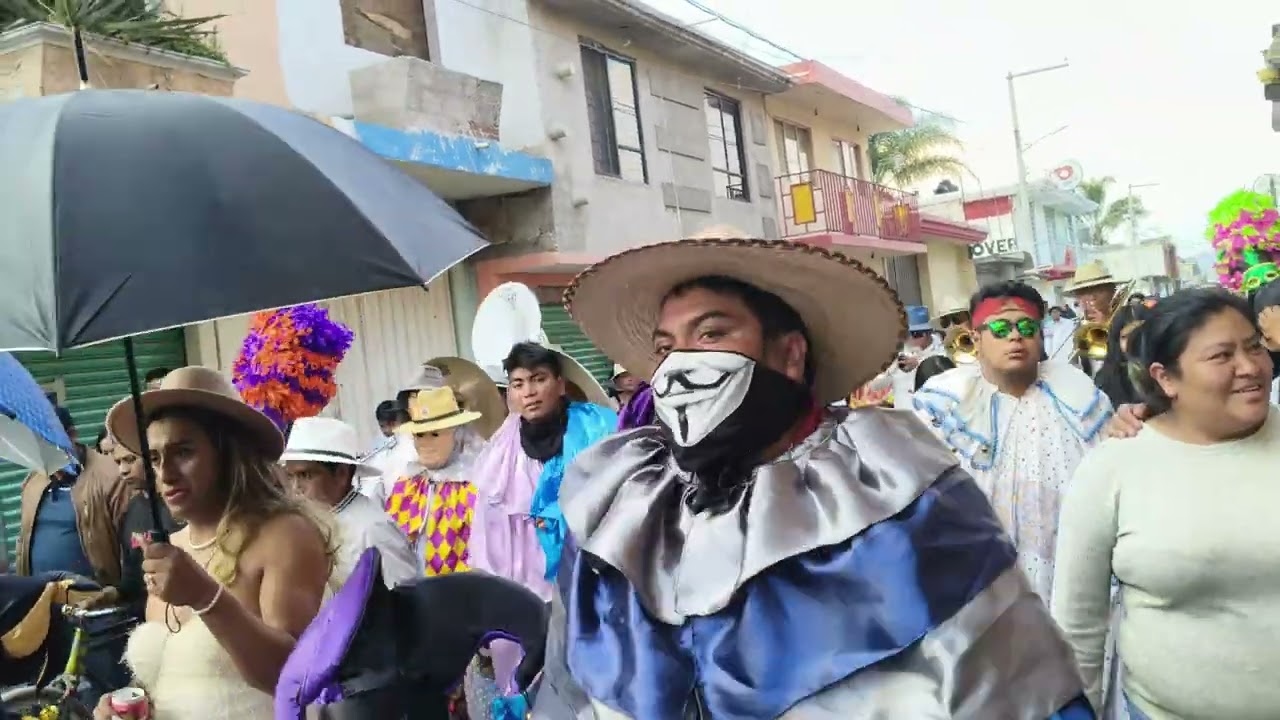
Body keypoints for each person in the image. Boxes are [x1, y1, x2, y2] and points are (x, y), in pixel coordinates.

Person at [532, 227, 1091, 718]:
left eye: (710, 335)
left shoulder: (898, 491)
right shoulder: (628, 503)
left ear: (790, 356)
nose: (679, 369)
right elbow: (569, 687)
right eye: (665, 349)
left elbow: (1013, 689)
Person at [1053, 288, 1280, 720]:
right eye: (1221, 356)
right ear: (1166, 378)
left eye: (1255, 347)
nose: (1250, 367)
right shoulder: (1113, 467)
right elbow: (1077, 625)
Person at [92, 366, 334, 720]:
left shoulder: (285, 536)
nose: (166, 473)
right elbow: (178, 680)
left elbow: (294, 682)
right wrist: (133, 706)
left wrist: (207, 597)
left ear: (227, 453)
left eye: (183, 452)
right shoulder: (169, 550)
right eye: (156, 458)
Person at [914, 281, 1111, 603]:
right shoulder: (944, 407)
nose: (1015, 336)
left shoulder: (1082, 397)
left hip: (1071, 581)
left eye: (1025, 326)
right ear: (976, 338)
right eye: (1001, 328)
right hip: (977, 587)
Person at [468, 342, 616, 602]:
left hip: (591, 568)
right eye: (518, 384)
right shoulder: (502, 450)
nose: (529, 392)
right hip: (528, 577)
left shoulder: (597, 427)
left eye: (538, 380)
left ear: (560, 385)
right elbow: (490, 528)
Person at [281, 417, 417, 588]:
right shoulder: (312, 523)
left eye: (306, 476)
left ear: (342, 474)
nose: (295, 488)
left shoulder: (372, 530)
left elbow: (403, 599)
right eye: (290, 476)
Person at [15, 405, 132, 586]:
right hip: (41, 598)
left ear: (71, 435)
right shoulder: (33, 481)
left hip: (95, 601)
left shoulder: (111, 477)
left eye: (44, 441)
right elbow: (23, 542)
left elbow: (132, 550)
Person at [382, 378, 487, 577]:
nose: (425, 444)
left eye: (435, 434)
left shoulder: (478, 487)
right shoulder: (407, 485)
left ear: (458, 435)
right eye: (419, 435)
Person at [863, 304, 943, 409]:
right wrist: (891, 367)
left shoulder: (943, 352)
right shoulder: (898, 354)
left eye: (907, 335)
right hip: (904, 420)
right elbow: (874, 386)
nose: (905, 341)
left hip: (932, 421)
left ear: (923, 334)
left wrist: (920, 365)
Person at [1092, 303, 1154, 408]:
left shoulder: (1170, 367)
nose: (1133, 342)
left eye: (1139, 334)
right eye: (1125, 337)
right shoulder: (1104, 379)